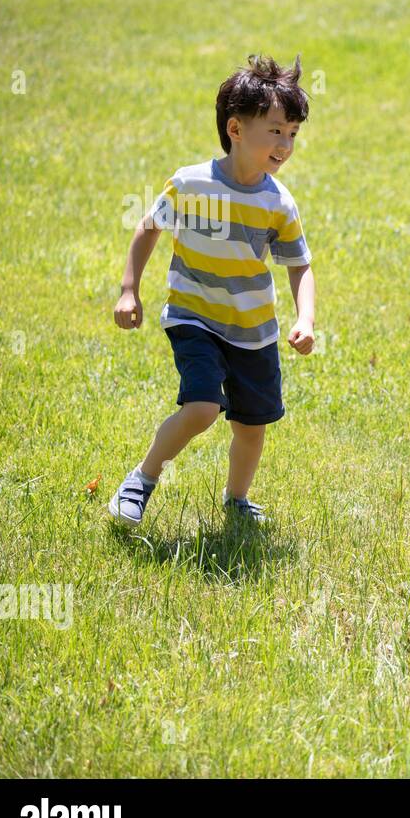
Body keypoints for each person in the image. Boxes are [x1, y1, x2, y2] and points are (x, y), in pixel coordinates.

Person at [109, 55, 316, 527]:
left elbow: (299, 266)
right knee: (202, 407)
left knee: (252, 425)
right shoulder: (191, 182)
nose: (285, 145)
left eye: (293, 135)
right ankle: (140, 480)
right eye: (276, 131)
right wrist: (129, 290)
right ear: (236, 129)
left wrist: (305, 319)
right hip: (194, 316)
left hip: (253, 329)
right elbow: (149, 227)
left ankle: (236, 499)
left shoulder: (278, 203)